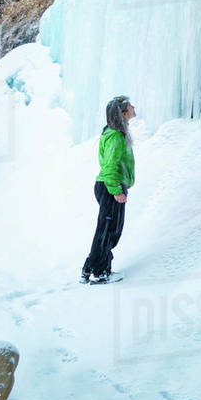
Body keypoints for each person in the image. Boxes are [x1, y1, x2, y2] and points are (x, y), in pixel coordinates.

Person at [81, 96, 136, 284]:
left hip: (107, 186)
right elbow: (110, 166)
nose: (133, 107)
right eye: (130, 105)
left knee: (105, 230)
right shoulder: (116, 136)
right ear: (122, 113)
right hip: (110, 187)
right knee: (109, 232)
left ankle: (90, 268)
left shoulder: (113, 133)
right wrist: (116, 190)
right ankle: (101, 272)